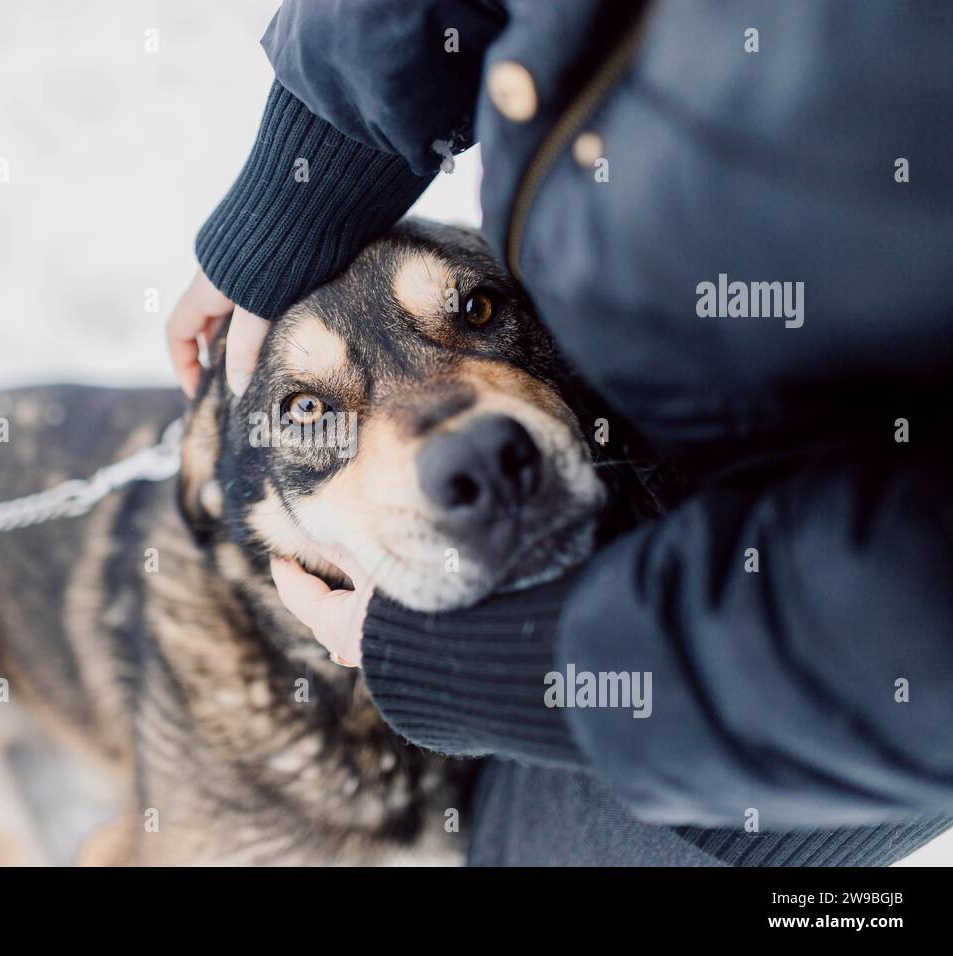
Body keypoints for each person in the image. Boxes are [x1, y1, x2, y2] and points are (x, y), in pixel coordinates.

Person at [166, 0, 953, 865]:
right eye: (310, 411)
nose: (463, 444)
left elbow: (908, 638)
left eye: (474, 309)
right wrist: (297, 191)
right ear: (213, 483)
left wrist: (474, 664)